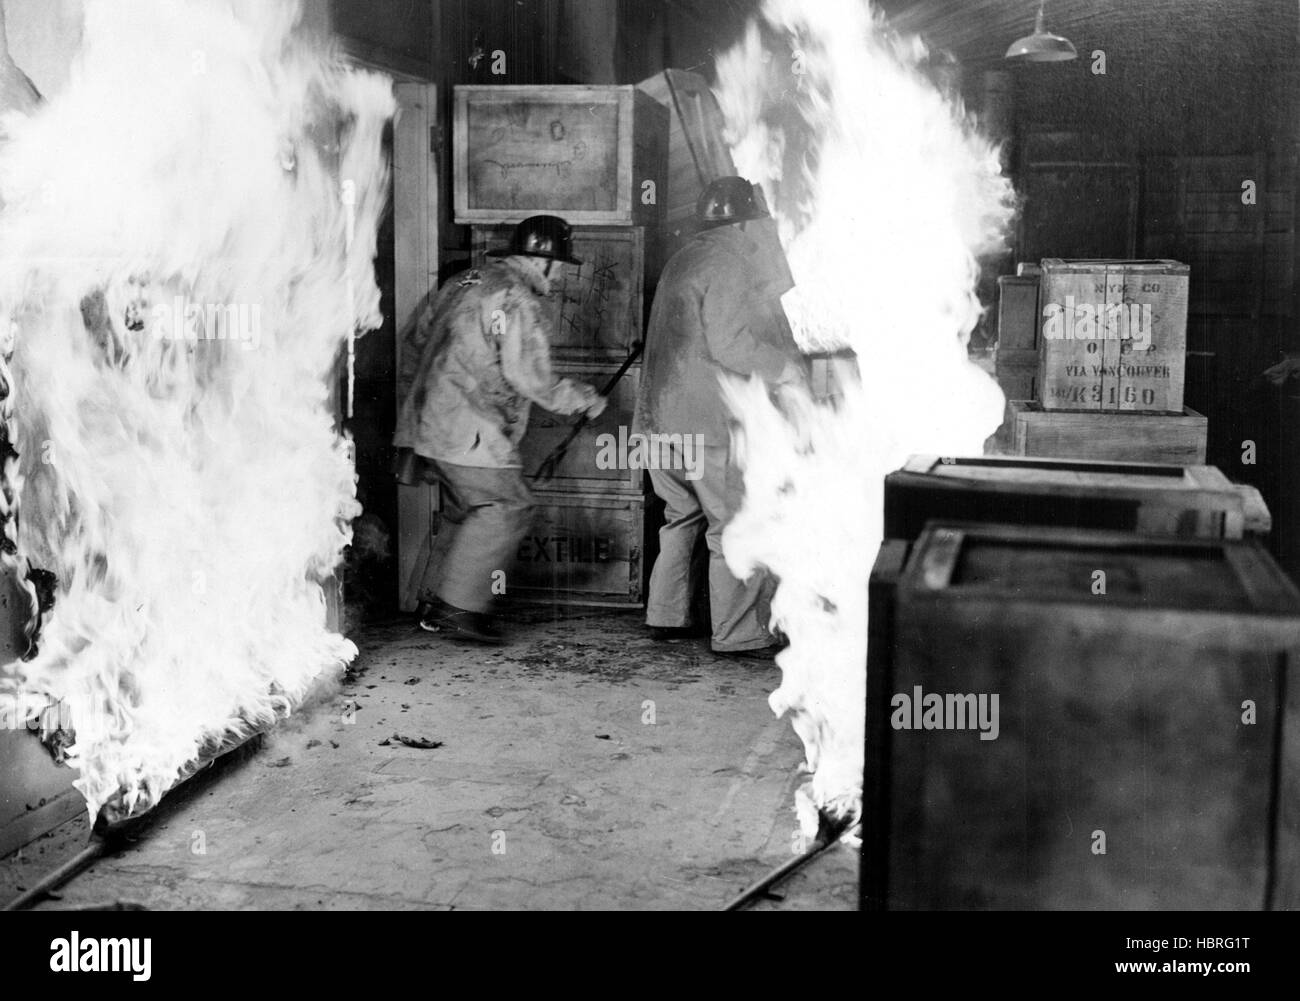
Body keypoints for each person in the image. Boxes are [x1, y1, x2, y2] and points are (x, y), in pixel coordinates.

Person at [393, 215, 606, 643]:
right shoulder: (515, 298)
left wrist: (418, 406)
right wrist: (583, 398)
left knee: (466, 509)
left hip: (431, 422)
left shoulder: (467, 282)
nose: (561, 273)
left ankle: (435, 602)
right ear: (539, 260)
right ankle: (460, 610)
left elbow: (413, 342)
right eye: (559, 264)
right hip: (470, 427)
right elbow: (529, 376)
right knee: (506, 506)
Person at [632, 176, 807, 658]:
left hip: (656, 419)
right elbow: (730, 343)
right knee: (730, 526)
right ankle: (736, 633)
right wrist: (786, 368)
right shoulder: (730, 264)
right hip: (704, 422)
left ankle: (665, 616)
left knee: (678, 518)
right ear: (748, 225)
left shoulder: (685, 257)